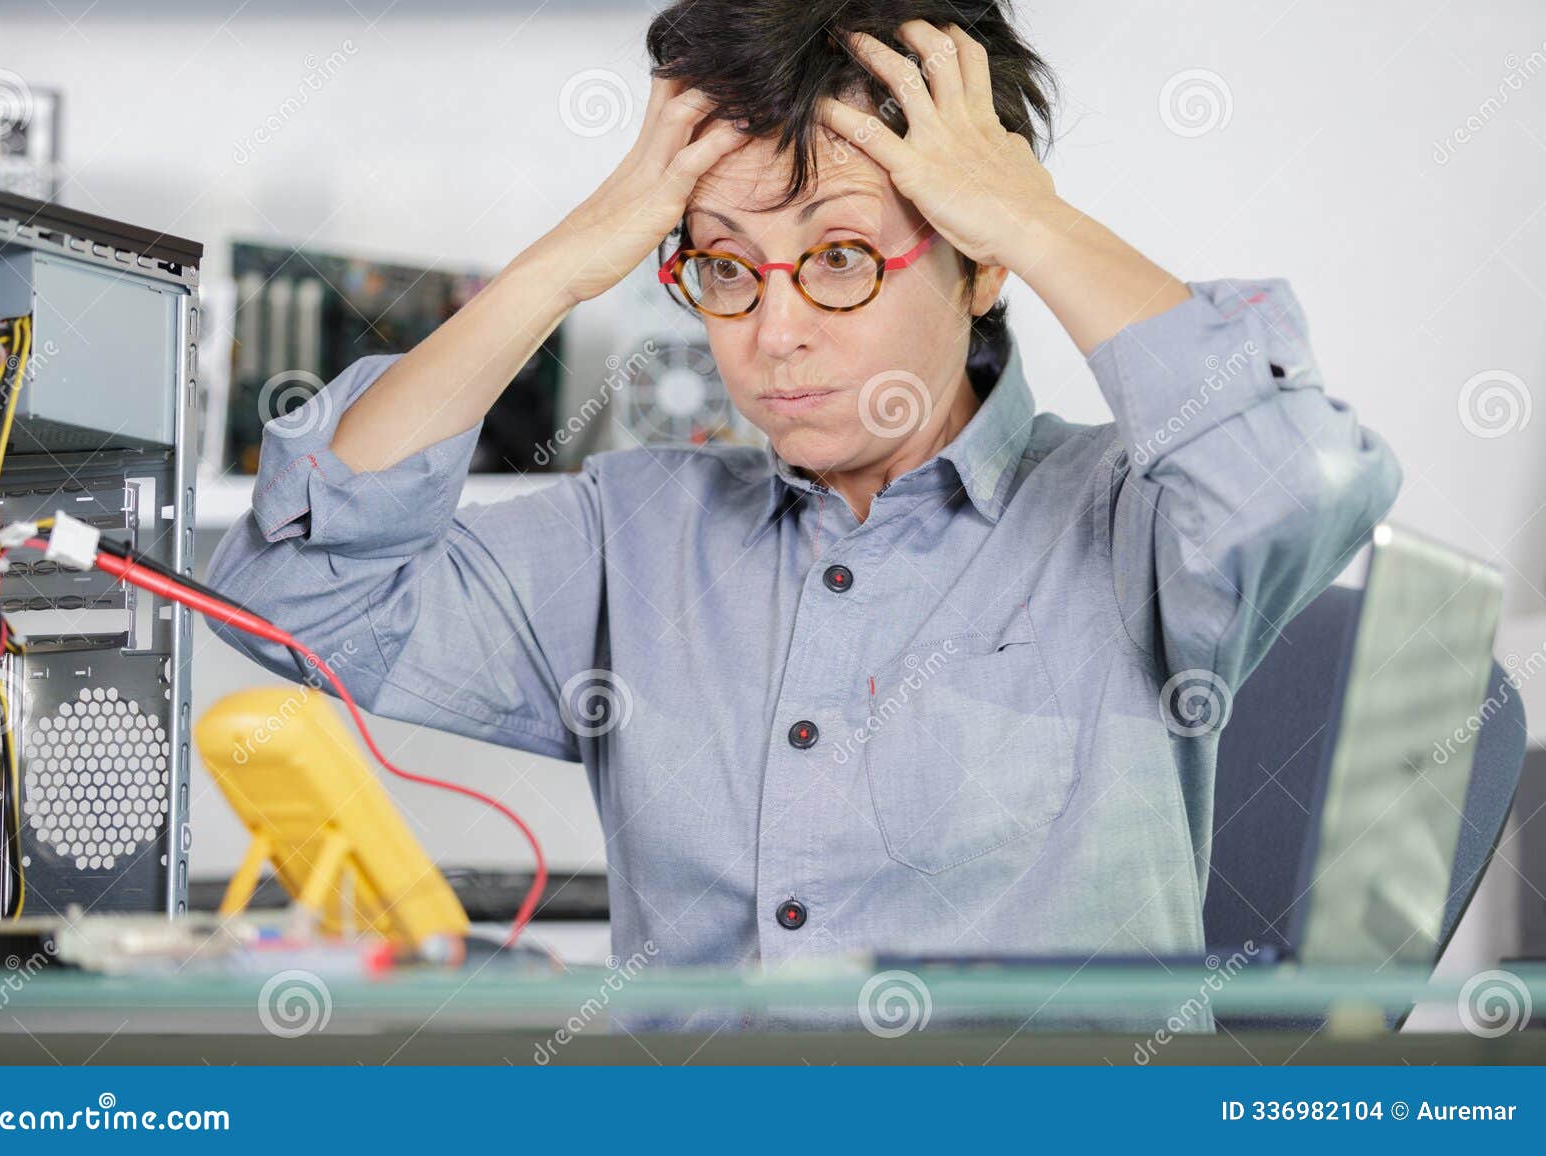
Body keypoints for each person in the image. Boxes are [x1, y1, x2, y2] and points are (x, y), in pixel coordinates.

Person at [205, 1, 1401, 1026]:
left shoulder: (1132, 522)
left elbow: (1298, 483)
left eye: (839, 258)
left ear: (976, 263)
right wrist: (559, 269)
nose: (773, 333)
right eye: (725, 268)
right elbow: (291, 593)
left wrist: (1035, 223)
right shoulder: (636, 539)